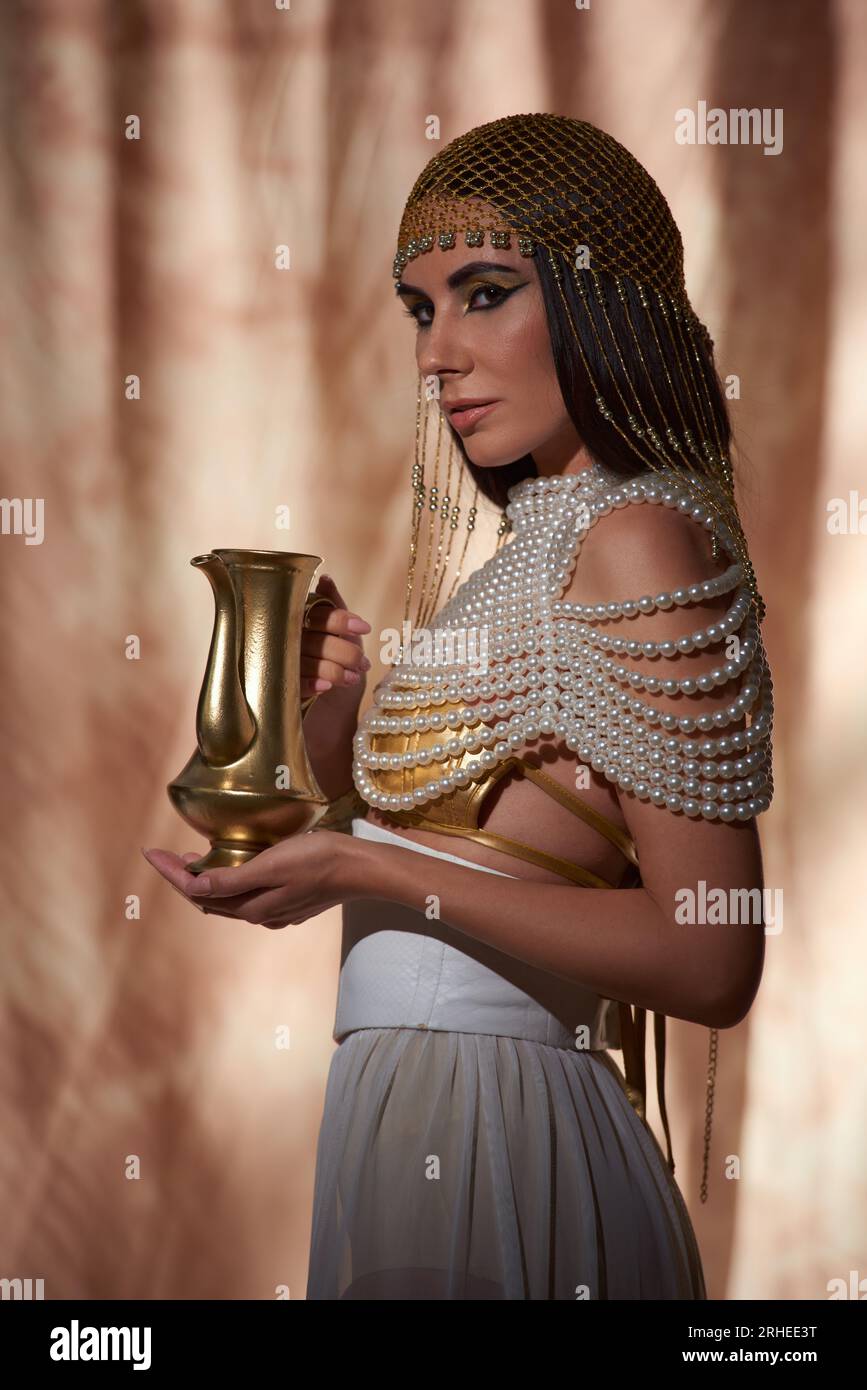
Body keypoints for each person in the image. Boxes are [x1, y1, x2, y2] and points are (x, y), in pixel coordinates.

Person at [143, 114, 772, 1300]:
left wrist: (365, 870)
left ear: (607, 302)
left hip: (498, 1123)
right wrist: (332, 732)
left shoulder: (631, 535)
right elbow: (482, 850)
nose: (438, 353)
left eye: (485, 293)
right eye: (421, 308)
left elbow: (711, 951)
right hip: (418, 1103)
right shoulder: (535, 544)